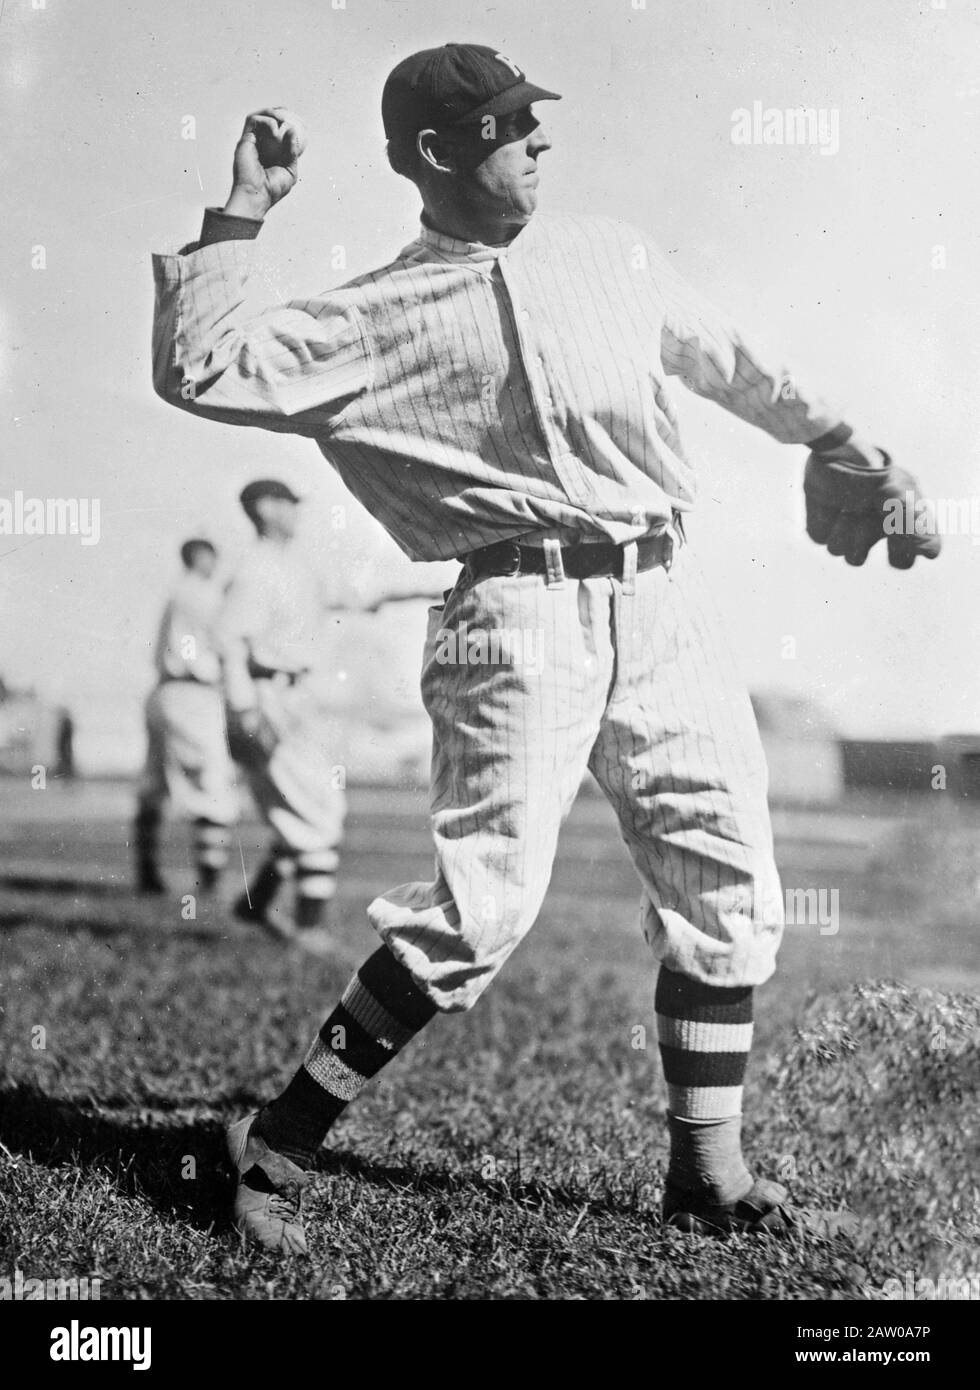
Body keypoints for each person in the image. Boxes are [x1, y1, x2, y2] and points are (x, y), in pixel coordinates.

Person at [151, 43, 940, 1255]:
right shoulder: (375, 313)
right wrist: (240, 212)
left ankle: (708, 1172)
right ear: (435, 154)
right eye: (509, 123)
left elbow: (731, 358)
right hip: (512, 615)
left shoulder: (607, 253)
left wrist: (840, 441)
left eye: (533, 115)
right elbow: (202, 366)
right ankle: (271, 1147)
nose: (537, 137)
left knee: (727, 884)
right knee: (477, 915)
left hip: (661, 591)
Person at [217, 478, 349, 955]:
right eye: (290, 503)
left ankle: (257, 902)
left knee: (307, 811)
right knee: (318, 813)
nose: (296, 511)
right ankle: (309, 930)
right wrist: (243, 709)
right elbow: (231, 646)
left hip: (293, 695)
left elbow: (345, 594)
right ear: (266, 508)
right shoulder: (254, 569)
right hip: (266, 694)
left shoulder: (289, 567)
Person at [134, 538, 238, 898]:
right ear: (200, 557)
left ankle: (147, 875)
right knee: (212, 784)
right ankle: (211, 883)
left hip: (165, 691)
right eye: (211, 556)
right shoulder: (202, 593)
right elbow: (229, 638)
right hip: (193, 692)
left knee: (156, 786)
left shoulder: (177, 592)